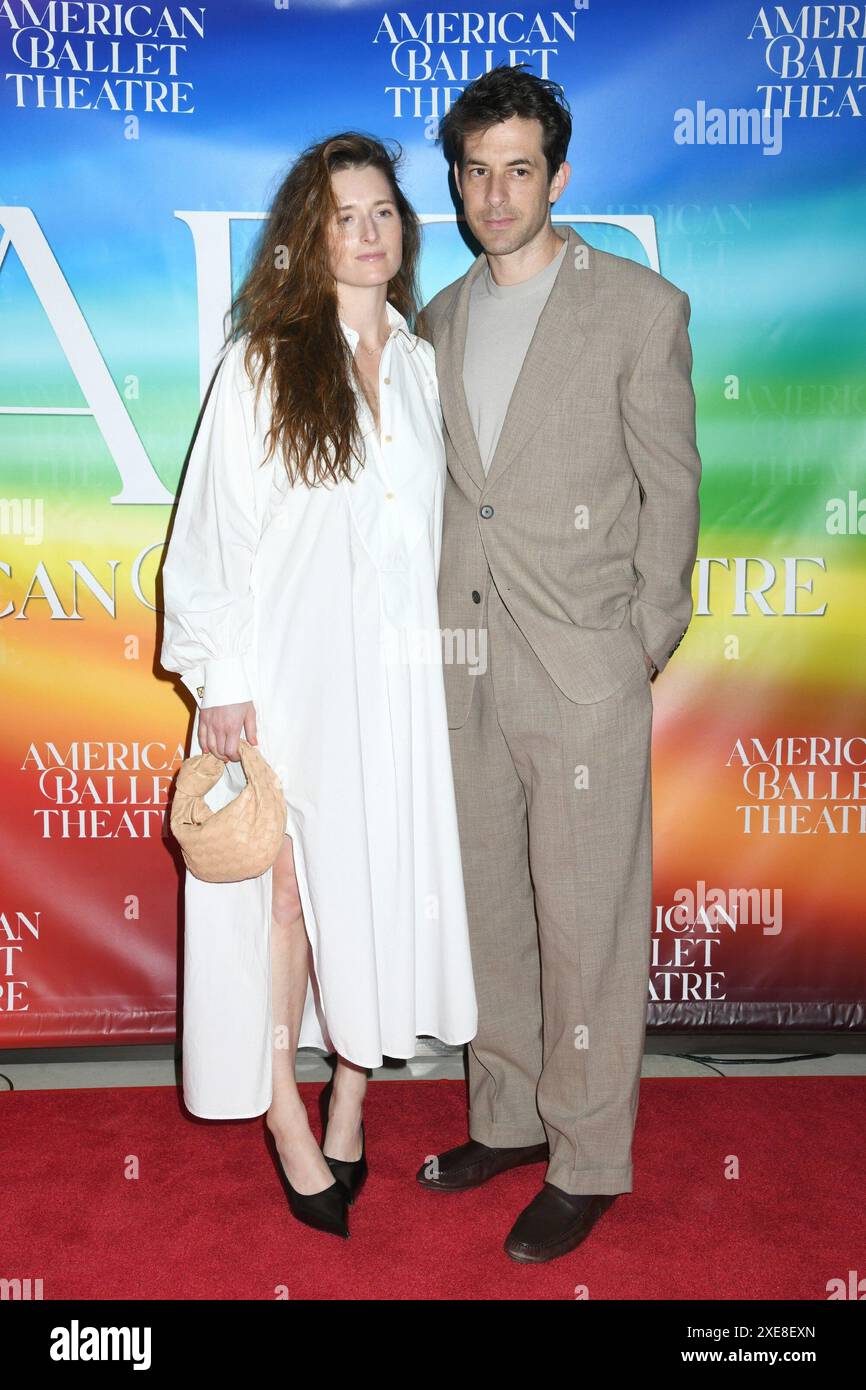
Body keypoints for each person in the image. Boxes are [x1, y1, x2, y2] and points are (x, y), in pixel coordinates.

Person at [160, 133, 478, 1239]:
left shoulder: (425, 360)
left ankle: (350, 1097)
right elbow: (210, 543)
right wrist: (225, 681)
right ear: (309, 235)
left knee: (374, 894)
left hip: (397, 693)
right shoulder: (259, 365)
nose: (368, 232)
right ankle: (288, 1121)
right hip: (287, 684)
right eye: (344, 214)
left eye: (383, 211)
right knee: (285, 900)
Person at [415, 65, 701, 1263]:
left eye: (517, 169)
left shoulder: (639, 307)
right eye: (476, 171)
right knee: (489, 910)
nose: (495, 192)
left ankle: (587, 1155)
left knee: (582, 922)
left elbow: (672, 489)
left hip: (581, 665)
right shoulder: (432, 318)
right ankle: (509, 1117)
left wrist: (636, 641)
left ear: (558, 177)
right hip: (459, 658)